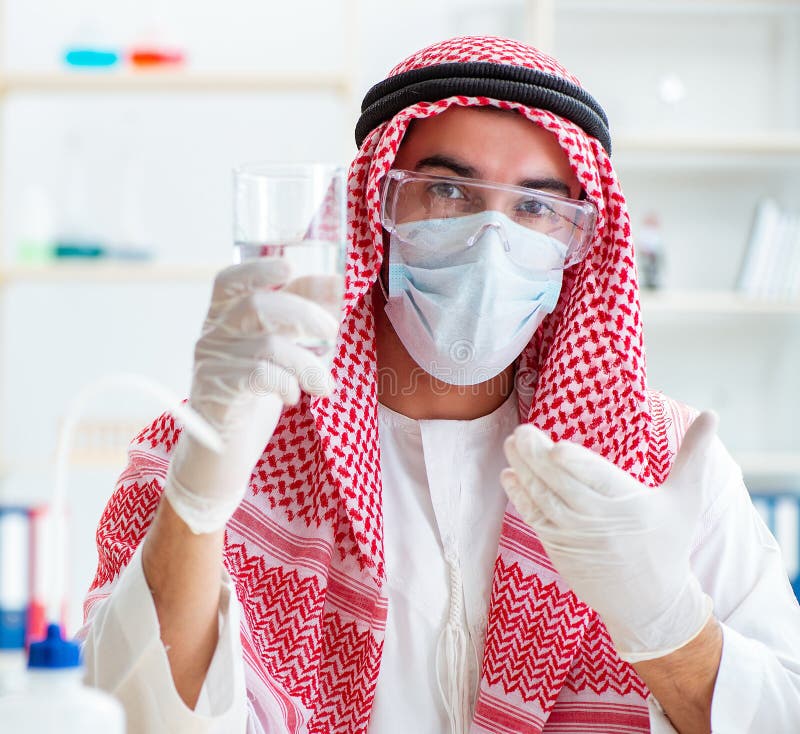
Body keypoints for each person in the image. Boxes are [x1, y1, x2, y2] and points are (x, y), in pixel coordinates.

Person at [79, 36, 800, 733]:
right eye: (448, 190)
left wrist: (669, 624)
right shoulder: (211, 441)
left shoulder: (666, 464)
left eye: (536, 207)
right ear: (377, 207)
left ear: (577, 242)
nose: (492, 240)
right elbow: (125, 717)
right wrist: (198, 501)